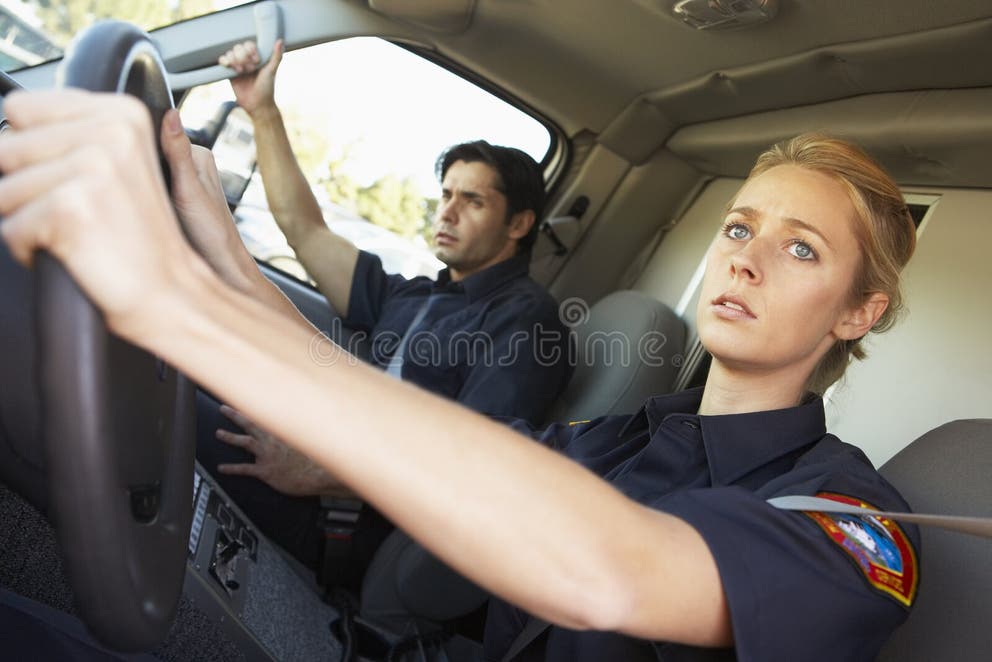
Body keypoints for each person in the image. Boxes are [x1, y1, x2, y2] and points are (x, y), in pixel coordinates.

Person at [0, 89, 920, 661]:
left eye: (799, 249)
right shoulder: (637, 433)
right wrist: (217, 258)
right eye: (737, 228)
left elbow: (610, 570)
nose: (746, 260)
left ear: (858, 312)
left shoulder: (854, 522)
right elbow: (464, 458)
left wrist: (186, 312)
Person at [194, 41, 573, 580]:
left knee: (159, 397)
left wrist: (318, 470)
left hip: (337, 518)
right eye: (446, 194)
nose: (447, 211)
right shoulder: (416, 295)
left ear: (518, 225)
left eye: (473, 201)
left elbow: (475, 468)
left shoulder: (527, 320)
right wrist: (263, 111)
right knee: (172, 362)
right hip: (309, 450)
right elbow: (305, 229)